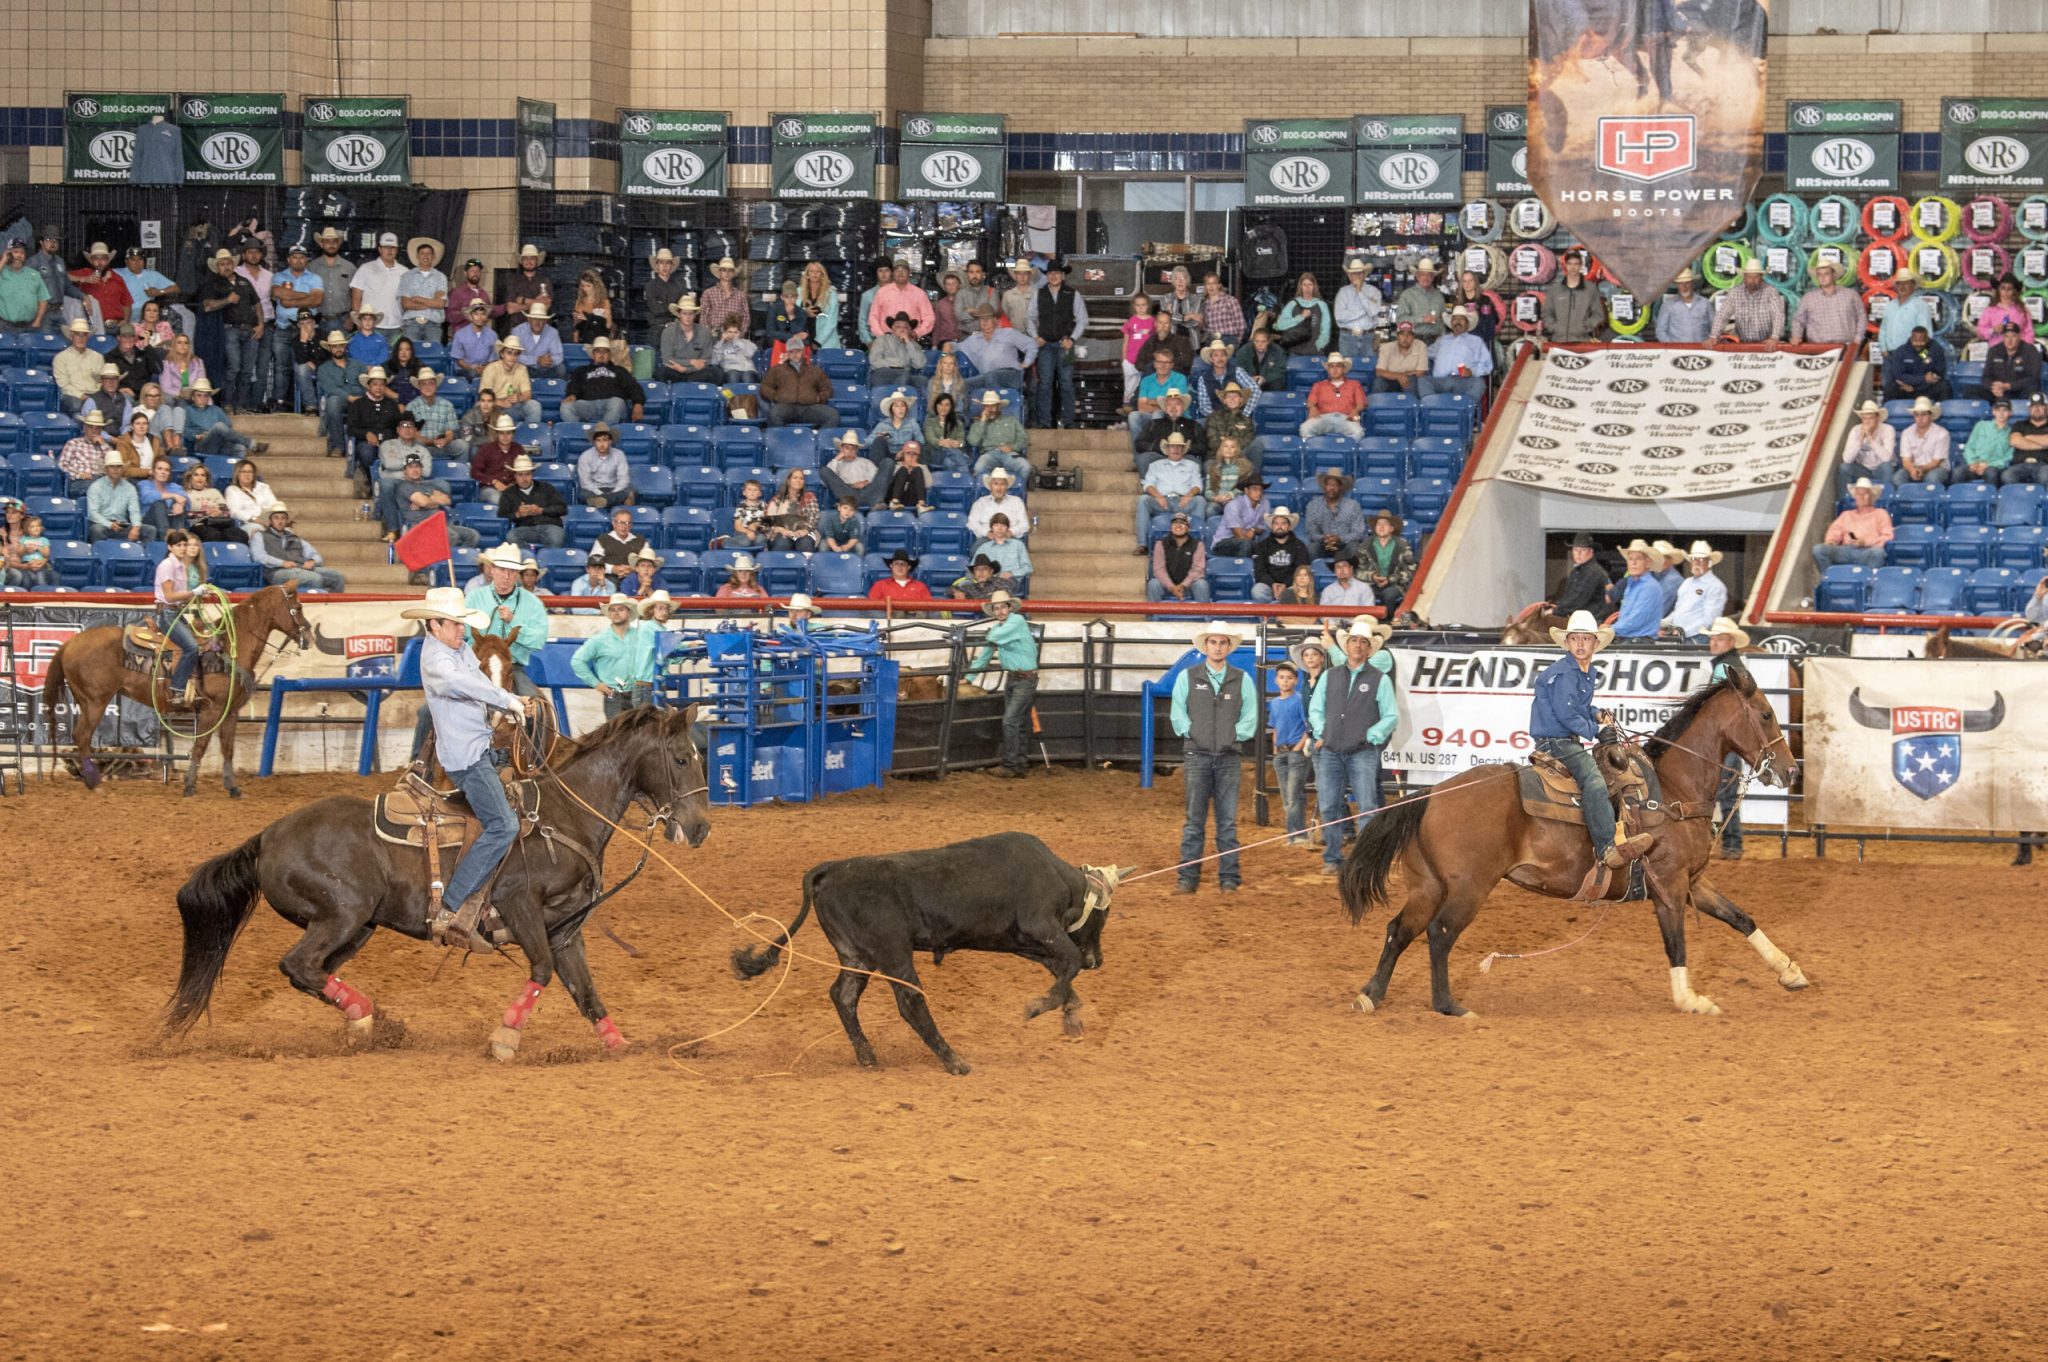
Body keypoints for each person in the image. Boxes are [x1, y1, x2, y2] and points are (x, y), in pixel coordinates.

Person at [402, 586, 538, 951]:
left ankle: (490, 901)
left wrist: (512, 701)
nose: (462, 630)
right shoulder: (436, 661)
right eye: (455, 624)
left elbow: (479, 681)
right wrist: (509, 700)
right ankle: (452, 905)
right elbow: (464, 684)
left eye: (462, 623)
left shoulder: (458, 648)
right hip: (466, 758)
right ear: (434, 625)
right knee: (504, 825)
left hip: (480, 748)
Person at [1530, 611, 1656, 870]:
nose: (1579, 643)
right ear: (1567, 642)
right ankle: (1607, 847)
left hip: (1563, 739)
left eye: (1585, 638)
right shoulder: (1565, 674)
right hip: (1555, 741)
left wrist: (1596, 713)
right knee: (1595, 781)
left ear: (1595, 644)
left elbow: (1579, 706)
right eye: (1574, 638)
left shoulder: (1584, 672)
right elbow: (1566, 713)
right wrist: (1596, 730)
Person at [1169, 622, 1257, 893]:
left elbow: (1250, 716)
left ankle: (1229, 877)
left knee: (1226, 822)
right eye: (1213, 642)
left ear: (1229, 647)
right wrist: (1193, 732)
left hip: (1228, 757)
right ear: (1206, 645)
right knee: (1194, 821)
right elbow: (1177, 713)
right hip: (1197, 755)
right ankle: (1188, 877)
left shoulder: (1242, 679)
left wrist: (1233, 736)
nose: (1218, 647)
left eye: (1222, 643)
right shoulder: (1187, 677)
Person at [1309, 616, 1400, 876]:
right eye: (1354, 641)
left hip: (1362, 751)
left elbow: (1391, 716)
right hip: (1331, 750)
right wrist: (1322, 731)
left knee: (1367, 806)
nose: (1358, 645)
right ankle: (1333, 857)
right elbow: (1316, 708)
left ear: (1369, 648)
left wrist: (1370, 735)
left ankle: (1364, 861)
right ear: (1346, 645)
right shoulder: (1330, 676)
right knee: (1329, 805)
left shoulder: (1379, 679)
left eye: (1363, 642)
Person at [962, 589, 1039, 776]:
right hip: (1016, 678)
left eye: (1003, 607)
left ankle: (1011, 765)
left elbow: (992, 638)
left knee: (1010, 721)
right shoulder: (1003, 628)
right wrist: (969, 678)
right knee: (1018, 722)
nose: (1000, 611)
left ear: (1009, 607)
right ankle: (1020, 764)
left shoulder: (1016, 621)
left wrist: (990, 633)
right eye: (996, 608)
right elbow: (984, 655)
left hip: (1024, 679)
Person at [464, 545, 547, 696]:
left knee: (535, 705)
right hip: (476, 666)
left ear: (517, 574)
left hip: (512, 667)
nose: (506, 576)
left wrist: (513, 622)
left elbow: (538, 641)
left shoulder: (532, 603)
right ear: (492, 570)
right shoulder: (474, 598)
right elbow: (461, 634)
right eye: (502, 569)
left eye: (512, 571)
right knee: (438, 705)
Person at [1705, 617, 1753, 860]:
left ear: (1731, 642)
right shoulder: (1735, 666)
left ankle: (1730, 845)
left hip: (1724, 740)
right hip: (1732, 739)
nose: (1714, 642)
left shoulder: (1724, 668)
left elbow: (1714, 704)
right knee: (1727, 793)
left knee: (1720, 792)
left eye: (1719, 639)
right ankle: (1732, 844)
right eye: (1713, 638)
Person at [573, 594, 662, 718]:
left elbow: (661, 648)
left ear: (629, 612)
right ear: (609, 614)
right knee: (620, 729)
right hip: (614, 694)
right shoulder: (599, 640)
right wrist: (596, 684)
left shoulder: (641, 635)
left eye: (621, 609)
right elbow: (577, 661)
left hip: (640, 692)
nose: (616, 613)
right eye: (612, 610)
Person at [153, 530, 210, 705]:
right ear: (170, 547)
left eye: (185, 545)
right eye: (179, 545)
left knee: (203, 641)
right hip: (167, 614)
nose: (183, 548)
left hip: (176, 612)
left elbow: (181, 596)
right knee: (191, 647)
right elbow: (169, 596)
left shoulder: (181, 566)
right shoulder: (166, 566)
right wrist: (194, 592)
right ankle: (177, 688)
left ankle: (195, 684)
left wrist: (199, 594)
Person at [1031, 260, 1089, 429]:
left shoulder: (1073, 294)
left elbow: (1083, 320)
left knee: (1066, 383)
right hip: (1045, 346)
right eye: (1051, 273)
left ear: (1063, 275)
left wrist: (1072, 339)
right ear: (1047, 276)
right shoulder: (1039, 294)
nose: (1054, 276)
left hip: (1066, 346)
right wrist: (1035, 336)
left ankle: (1069, 421)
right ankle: (1044, 422)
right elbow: (1030, 318)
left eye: (1057, 273)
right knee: (1045, 384)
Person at [1268, 661, 1313, 848]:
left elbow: (1308, 725)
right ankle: (1296, 834)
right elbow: (1275, 728)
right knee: (1289, 796)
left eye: (1289, 678)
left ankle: (1296, 834)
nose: (1285, 681)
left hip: (1296, 752)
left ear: (1296, 681)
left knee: (1292, 795)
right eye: (1282, 677)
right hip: (1281, 754)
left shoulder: (1300, 700)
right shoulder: (1274, 703)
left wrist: (1298, 746)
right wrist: (1275, 750)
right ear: (1276, 680)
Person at [248, 504, 344, 591]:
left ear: (286, 521)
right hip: (276, 572)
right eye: (276, 518)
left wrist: (312, 561)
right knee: (314, 578)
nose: (280, 521)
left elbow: (316, 555)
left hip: (300, 568)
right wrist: (282, 563)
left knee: (337, 577)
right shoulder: (260, 536)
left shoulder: (294, 537)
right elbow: (259, 557)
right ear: (270, 521)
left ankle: (332, 603)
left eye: (283, 518)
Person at [1137, 433, 1206, 546]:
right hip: (1162, 501)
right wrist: (1158, 496)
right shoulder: (1155, 465)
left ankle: (1195, 543)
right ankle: (1142, 544)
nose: (1176, 449)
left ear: (1183, 449)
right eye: (1173, 446)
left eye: (1179, 446)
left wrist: (1189, 495)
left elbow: (1198, 485)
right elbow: (1148, 484)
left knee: (1200, 501)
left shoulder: (1193, 466)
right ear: (1167, 449)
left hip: (1183, 501)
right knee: (1143, 499)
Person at [1812, 478, 1893, 572]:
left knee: (1878, 553)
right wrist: (1831, 541)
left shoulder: (1881, 514)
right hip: (1845, 550)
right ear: (1855, 497)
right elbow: (1834, 530)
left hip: (1867, 551)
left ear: (1871, 496)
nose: (1861, 497)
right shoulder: (1846, 515)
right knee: (1819, 550)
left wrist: (1865, 542)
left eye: (1865, 494)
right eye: (1858, 494)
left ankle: (1868, 579)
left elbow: (1887, 536)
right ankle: (1830, 577)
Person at [562, 336, 646, 425]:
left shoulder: (619, 371)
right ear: (593, 354)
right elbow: (574, 385)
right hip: (588, 405)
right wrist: (572, 394)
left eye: (605, 352)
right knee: (566, 406)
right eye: (598, 351)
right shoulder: (581, 371)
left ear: (610, 355)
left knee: (616, 402)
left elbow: (633, 387)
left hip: (613, 404)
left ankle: (604, 431)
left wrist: (638, 403)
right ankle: (579, 432)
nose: (601, 355)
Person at [957, 306, 1038, 395]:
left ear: (995, 320)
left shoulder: (1008, 333)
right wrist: (947, 348)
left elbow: (1031, 344)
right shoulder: (973, 340)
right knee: (960, 385)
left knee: (991, 376)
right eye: (982, 319)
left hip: (1010, 375)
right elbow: (955, 347)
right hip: (986, 378)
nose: (985, 322)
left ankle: (993, 401)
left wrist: (1027, 362)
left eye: (988, 318)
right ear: (978, 321)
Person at [1420, 307, 1493, 401]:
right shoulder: (1442, 340)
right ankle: (1432, 407)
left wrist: (1472, 371)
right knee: (1423, 381)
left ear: (1467, 323)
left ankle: (1465, 407)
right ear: (1451, 323)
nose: (1457, 322)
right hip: (1441, 381)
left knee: (1479, 383)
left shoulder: (1476, 341)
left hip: (1463, 382)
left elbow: (1487, 366)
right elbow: (1424, 353)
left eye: (1461, 319)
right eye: (1454, 319)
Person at [1789, 258, 1866, 346]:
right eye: (1819, 274)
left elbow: (1861, 316)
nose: (1822, 277)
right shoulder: (1808, 298)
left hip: (1846, 346)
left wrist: (1858, 339)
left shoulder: (1850, 295)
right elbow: (1798, 320)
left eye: (1826, 273)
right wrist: (1796, 335)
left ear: (1833, 275)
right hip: (1818, 347)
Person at [759, 344, 838, 427]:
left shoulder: (815, 371)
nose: (795, 354)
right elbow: (764, 387)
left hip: (810, 407)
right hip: (786, 407)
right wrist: (775, 397)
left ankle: (818, 435)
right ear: (787, 353)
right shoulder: (777, 369)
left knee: (832, 415)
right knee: (774, 414)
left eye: (798, 351)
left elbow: (827, 389)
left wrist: (819, 398)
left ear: (802, 352)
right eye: (791, 352)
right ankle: (783, 435)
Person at [348, 233, 407, 344]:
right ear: (380, 249)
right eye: (386, 247)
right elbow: (356, 297)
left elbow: (407, 299)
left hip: (397, 326)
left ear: (397, 250)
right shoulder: (366, 268)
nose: (390, 250)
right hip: (371, 326)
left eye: (393, 247)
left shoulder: (404, 272)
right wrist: (359, 323)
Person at [500, 455, 567, 548]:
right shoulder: (508, 493)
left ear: (532, 474)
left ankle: (545, 556)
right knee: (511, 537)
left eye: (527, 474)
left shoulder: (546, 488)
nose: (524, 478)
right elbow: (502, 515)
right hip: (525, 528)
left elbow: (562, 509)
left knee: (556, 539)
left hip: (550, 526)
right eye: (520, 475)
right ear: (515, 476)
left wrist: (541, 510)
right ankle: (529, 555)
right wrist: (518, 514)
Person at [1129, 346, 1195, 442]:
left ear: (1172, 365)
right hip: (1151, 415)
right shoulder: (1146, 380)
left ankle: (1157, 447)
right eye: (1159, 362)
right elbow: (1141, 407)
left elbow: (1175, 405)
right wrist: (1162, 403)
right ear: (1154, 364)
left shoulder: (1180, 378)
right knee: (1133, 416)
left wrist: (1153, 402)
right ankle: (1139, 449)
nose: (1163, 365)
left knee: (1157, 415)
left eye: (1167, 362)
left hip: (1177, 417)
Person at [1665, 541, 1728, 641]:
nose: (1697, 563)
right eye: (1694, 559)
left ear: (1709, 563)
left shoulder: (1716, 586)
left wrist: (1684, 632)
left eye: (1701, 559)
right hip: (1678, 637)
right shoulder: (1686, 583)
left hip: (1698, 639)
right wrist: (1663, 623)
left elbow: (1709, 621)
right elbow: (1678, 611)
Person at [1303, 468, 1367, 562]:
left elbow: (1358, 532)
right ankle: (1313, 571)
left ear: (1341, 487)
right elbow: (1311, 531)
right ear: (1324, 486)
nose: (1332, 488)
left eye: (1335, 485)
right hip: (1323, 544)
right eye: (1329, 484)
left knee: (1354, 547)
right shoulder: (1313, 505)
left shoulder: (1353, 505)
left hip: (1345, 544)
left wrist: (1340, 538)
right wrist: (1324, 538)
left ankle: (1352, 571)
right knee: (1311, 548)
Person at [1714, 259, 1785, 343]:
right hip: (1742, 343)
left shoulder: (1771, 291)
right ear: (1744, 278)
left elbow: (1778, 314)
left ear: (1761, 277)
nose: (1752, 280)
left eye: (1756, 277)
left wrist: (1775, 337)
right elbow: (1722, 314)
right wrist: (1714, 336)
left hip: (1766, 342)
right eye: (1749, 277)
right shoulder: (1735, 292)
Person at [1543, 249, 1605, 344]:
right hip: (1559, 341)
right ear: (1565, 265)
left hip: (1583, 342)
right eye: (1570, 264)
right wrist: (1555, 328)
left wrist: (1584, 327)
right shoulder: (1555, 289)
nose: (1573, 267)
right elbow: (1547, 313)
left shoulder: (1590, 289)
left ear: (1581, 265)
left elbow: (1598, 314)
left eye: (1576, 264)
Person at [1250, 507, 1311, 602]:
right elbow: (1259, 571)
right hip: (1268, 585)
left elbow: (1300, 570)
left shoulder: (1299, 546)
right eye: (1276, 523)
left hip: (1291, 585)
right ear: (1271, 526)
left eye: (1283, 523)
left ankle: (1279, 605)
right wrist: (1272, 584)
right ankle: (1274, 607)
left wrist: (1285, 584)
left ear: (1289, 526)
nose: (1279, 526)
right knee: (1257, 591)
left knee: (1299, 592)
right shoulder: (1262, 545)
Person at [1148, 510, 1210, 603]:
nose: (1178, 526)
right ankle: (1153, 612)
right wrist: (1171, 587)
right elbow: (1159, 569)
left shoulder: (1198, 545)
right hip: (1167, 585)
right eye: (1175, 523)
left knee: (1202, 584)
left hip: (1189, 586)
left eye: (1182, 523)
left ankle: (1204, 612)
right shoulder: (1160, 544)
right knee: (1153, 584)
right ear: (1171, 527)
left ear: (1188, 528)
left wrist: (1183, 585)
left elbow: (1198, 569)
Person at [1333, 259, 1388, 365]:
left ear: (1364, 275)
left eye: (1359, 273)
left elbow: (1373, 312)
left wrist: (1359, 292)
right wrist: (1364, 310)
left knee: (1369, 369)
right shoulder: (1343, 292)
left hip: (1368, 337)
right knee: (1347, 369)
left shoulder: (1374, 291)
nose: (1356, 276)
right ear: (1349, 276)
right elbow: (1339, 316)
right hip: (1347, 337)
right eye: (1353, 274)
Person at [88, 451, 151, 542]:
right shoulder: (96, 487)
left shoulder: (130, 488)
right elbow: (93, 514)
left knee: (150, 530)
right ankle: (100, 550)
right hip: (103, 524)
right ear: (106, 469)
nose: (115, 469)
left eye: (118, 466)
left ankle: (140, 551)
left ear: (122, 469)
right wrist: (109, 524)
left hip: (122, 525)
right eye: (112, 466)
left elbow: (134, 511)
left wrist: (136, 527)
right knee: (97, 530)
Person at [1301, 353, 1367, 439]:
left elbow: (1361, 404)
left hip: (1347, 418)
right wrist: (1312, 408)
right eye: (1331, 366)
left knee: (1358, 432)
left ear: (1344, 368)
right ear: (1328, 369)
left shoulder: (1355, 384)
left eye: (1338, 366)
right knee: (1304, 429)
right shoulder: (1319, 385)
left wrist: (1356, 411)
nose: (1335, 369)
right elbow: (1310, 401)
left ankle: (1347, 448)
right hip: (1323, 418)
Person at [1608, 539, 1664, 639]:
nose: (1633, 563)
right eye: (1630, 559)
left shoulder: (1650, 587)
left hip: (1640, 642)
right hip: (1629, 640)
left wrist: (1609, 629)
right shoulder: (1631, 584)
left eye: (1638, 559)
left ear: (1648, 563)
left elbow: (1636, 620)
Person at [1838, 399, 1898, 493]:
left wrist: (1870, 438)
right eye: (1864, 418)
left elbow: (1887, 458)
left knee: (1887, 466)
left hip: (1881, 468)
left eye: (1871, 418)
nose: (1867, 422)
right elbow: (1847, 459)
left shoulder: (1888, 429)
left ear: (1877, 418)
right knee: (1844, 467)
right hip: (1863, 469)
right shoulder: (1855, 430)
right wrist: (1860, 440)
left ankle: (1888, 496)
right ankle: (1845, 498)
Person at [1546, 531, 1609, 617]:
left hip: (1592, 618)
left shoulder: (1594, 572)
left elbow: (1579, 599)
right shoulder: (1575, 572)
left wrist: (1556, 610)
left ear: (1591, 551)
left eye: (1583, 550)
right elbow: (1569, 596)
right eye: (1576, 550)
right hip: (1578, 615)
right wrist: (1556, 605)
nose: (1579, 554)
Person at [481, 335, 541, 425]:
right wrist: (500, 402)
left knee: (534, 405)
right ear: (502, 354)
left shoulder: (522, 369)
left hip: (514, 406)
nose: (512, 357)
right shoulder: (490, 369)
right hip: (495, 407)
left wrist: (518, 398)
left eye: (516, 354)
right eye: (509, 353)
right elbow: (484, 397)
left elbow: (527, 394)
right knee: (484, 408)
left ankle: (530, 432)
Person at [1976, 321, 2041, 403]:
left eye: (2013, 336)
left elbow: (2033, 378)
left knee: (2032, 389)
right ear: (2003, 337)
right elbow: (1986, 376)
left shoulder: (2031, 351)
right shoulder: (1994, 350)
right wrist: (1994, 386)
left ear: (2019, 336)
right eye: (2006, 336)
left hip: (2019, 391)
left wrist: (2008, 386)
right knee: (1972, 391)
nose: (2009, 340)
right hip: (1998, 391)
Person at [574, 423, 634, 510]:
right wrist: (600, 494)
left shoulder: (619, 455)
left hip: (614, 488)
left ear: (610, 441)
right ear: (594, 442)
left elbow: (623, 479)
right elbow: (585, 482)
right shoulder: (585, 456)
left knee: (630, 490)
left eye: (605, 440)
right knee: (583, 494)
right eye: (598, 440)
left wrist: (612, 493)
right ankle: (606, 501)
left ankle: (602, 502)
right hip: (594, 489)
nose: (602, 444)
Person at [822, 431, 886, 511]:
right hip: (848, 493)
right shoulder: (836, 463)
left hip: (868, 491)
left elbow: (878, 479)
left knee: (887, 462)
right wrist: (836, 459)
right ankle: (847, 504)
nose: (850, 451)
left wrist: (866, 482)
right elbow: (828, 479)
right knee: (824, 470)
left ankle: (877, 503)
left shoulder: (866, 462)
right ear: (841, 449)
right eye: (847, 448)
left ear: (856, 450)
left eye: (853, 448)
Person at [1896, 397, 1952, 487]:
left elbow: (1936, 462)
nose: (1920, 418)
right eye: (1917, 415)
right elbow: (1906, 460)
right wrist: (1912, 470)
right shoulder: (1907, 433)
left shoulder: (1942, 433)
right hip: (1913, 467)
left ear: (1931, 416)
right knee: (1898, 478)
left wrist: (1921, 469)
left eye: (1924, 414)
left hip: (1937, 468)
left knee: (1932, 478)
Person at [1958, 398, 2015, 486]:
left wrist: (1988, 465)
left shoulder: (2013, 433)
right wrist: (1972, 463)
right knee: (1958, 473)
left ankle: (1992, 495)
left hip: (1994, 467)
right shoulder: (1981, 425)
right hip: (1975, 464)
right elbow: (1969, 447)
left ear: (2010, 413)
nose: (2001, 414)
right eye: (1998, 410)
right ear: (1993, 412)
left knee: (1991, 473)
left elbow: (2009, 456)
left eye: (2005, 410)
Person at [1883, 326, 1949, 402]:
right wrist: (1923, 379)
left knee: (1944, 386)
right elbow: (1898, 375)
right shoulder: (1901, 351)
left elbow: (1938, 374)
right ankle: (1887, 409)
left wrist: (1917, 388)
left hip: (1926, 388)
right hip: (1906, 388)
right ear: (1911, 338)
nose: (1918, 344)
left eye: (1922, 341)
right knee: (1890, 388)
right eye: (1915, 341)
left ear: (1927, 339)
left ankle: (1941, 408)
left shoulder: (1936, 350)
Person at [1210, 475, 1270, 557]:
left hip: (1246, 541)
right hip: (1223, 542)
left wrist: (1253, 530)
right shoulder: (1234, 505)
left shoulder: (1264, 503)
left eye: (1260, 489)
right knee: (1246, 545)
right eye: (1254, 489)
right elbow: (1238, 535)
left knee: (1264, 547)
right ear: (1246, 490)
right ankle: (1241, 565)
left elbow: (1262, 528)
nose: (1259, 492)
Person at [0, 239, 52, 333]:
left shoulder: (34, 274)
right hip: (5, 327)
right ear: (8, 254)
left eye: (22, 253)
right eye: (15, 252)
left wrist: (38, 320)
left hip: (30, 326)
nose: (19, 255)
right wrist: (3, 260)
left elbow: (43, 299)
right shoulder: (2, 273)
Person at [765, 468, 822, 552]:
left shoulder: (809, 497)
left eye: (801, 478)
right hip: (782, 532)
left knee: (805, 543)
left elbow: (814, 517)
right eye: (795, 478)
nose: (798, 480)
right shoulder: (777, 499)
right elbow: (769, 520)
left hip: (804, 531)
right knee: (782, 542)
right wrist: (781, 530)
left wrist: (805, 530)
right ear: (788, 481)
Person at [972, 513, 1032, 592]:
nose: (999, 528)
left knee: (1000, 586)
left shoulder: (1018, 545)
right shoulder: (984, 548)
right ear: (992, 528)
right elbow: (973, 568)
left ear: (1007, 528)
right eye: (996, 525)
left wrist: (1011, 573)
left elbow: (1028, 567)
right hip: (989, 580)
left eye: (1003, 525)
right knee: (964, 586)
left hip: (1010, 580)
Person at [1277, 273, 1333, 356]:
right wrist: (1300, 317)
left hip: (1315, 352)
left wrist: (1318, 346)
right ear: (1300, 286)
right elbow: (1280, 325)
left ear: (1314, 286)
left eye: (1310, 285)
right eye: (1304, 285)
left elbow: (1326, 330)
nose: (1307, 288)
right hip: (1294, 351)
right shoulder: (1292, 304)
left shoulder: (1322, 305)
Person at [1654, 268, 1715, 343]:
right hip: (1677, 349)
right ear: (1677, 285)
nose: (1684, 287)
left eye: (1687, 283)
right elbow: (1660, 331)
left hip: (1701, 348)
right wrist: (1672, 346)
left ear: (1692, 283)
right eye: (1680, 283)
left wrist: (1709, 343)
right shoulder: (1668, 305)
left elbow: (1714, 328)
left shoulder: (1705, 303)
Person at [1394, 258, 1448, 343]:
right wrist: (1422, 319)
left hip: (1436, 340)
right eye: (1423, 274)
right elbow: (1400, 320)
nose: (1426, 278)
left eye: (1429, 275)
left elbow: (1442, 320)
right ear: (1417, 276)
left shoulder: (1439, 296)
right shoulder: (1407, 295)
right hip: (1414, 340)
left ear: (1433, 277)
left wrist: (1443, 337)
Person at [868, 311, 925, 389]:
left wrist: (908, 343)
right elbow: (874, 360)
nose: (902, 329)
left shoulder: (913, 345)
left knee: (922, 380)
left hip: (906, 374)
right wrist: (895, 365)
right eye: (898, 327)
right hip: (883, 372)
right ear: (892, 328)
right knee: (903, 375)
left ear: (910, 330)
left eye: (906, 327)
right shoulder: (883, 339)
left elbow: (920, 364)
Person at [968, 468, 1029, 541]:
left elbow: (1025, 524)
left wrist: (1010, 532)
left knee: (1018, 546)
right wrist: (987, 533)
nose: (999, 488)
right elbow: (972, 523)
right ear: (990, 486)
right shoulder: (980, 503)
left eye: (1002, 484)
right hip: (986, 539)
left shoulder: (1017, 502)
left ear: (1007, 486)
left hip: (1011, 539)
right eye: (996, 484)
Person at [1119, 291, 1159, 404]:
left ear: (1148, 306)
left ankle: (1142, 408)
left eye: (1143, 305)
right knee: (1129, 387)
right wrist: (1124, 359)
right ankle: (1127, 407)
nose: (1141, 308)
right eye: (1138, 305)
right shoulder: (1131, 321)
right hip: (1131, 360)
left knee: (1145, 386)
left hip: (1147, 360)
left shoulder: (1153, 321)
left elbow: (1156, 340)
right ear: (1134, 306)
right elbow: (1125, 341)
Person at [1371, 320, 1430, 395]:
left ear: (1413, 337)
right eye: (1402, 334)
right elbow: (1379, 372)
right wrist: (1398, 376)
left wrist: (1401, 375)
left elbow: (1420, 373)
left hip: (1410, 379)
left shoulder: (1421, 346)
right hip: (1389, 379)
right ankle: (1377, 402)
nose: (1405, 338)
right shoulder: (1386, 347)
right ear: (1397, 336)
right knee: (1378, 382)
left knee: (1411, 381)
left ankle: (1411, 402)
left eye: (1409, 334)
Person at [1976, 273, 2036, 345]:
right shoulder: (1989, 310)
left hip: (2019, 349)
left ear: (2014, 291)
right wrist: (1993, 330)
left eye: (2009, 289)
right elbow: (1980, 331)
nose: (2006, 292)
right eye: (2003, 288)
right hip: (1996, 349)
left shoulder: (2022, 310)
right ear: (1998, 290)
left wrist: (2025, 348)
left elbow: (2029, 333)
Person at [224, 458, 279, 535]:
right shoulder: (232, 490)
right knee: (258, 532)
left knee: (287, 531)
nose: (247, 474)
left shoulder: (264, 487)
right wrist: (253, 518)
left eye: (250, 472)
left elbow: (275, 506)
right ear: (237, 474)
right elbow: (234, 512)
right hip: (248, 523)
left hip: (268, 521)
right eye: (243, 472)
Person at [795, 260, 841, 349]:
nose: (815, 274)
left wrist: (818, 342)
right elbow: (791, 315)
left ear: (822, 275)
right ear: (807, 275)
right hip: (803, 341)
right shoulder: (798, 292)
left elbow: (832, 321)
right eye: (811, 271)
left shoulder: (831, 293)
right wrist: (804, 312)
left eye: (818, 271)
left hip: (826, 342)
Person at [700, 257, 750, 338]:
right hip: (714, 335)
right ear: (719, 272)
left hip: (734, 335)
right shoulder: (708, 293)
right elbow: (704, 318)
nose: (727, 273)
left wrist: (740, 334)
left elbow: (746, 318)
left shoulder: (741, 296)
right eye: (724, 270)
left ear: (733, 273)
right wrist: (709, 336)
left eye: (730, 270)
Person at [593, 506, 648, 579]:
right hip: (608, 578)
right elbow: (594, 562)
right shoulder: (602, 539)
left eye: (627, 523)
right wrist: (612, 569)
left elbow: (648, 563)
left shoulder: (641, 541)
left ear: (631, 525)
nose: (624, 526)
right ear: (613, 523)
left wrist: (633, 568)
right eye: (620, 522)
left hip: (635, 578)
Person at [868, 388, 923, 461]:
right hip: (887, 457)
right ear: (892, 409)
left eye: (903, 406)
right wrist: (878, 436)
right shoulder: (883, 425)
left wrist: (905, 451)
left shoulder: (912, 423)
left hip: (906, 455)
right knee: (879, 440)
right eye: (896, 406)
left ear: (906, 408)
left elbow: (921, 441)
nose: (900, 409)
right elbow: (869, 441)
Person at [6, 510, 55, 588]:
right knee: (26, 580)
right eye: (32, 527)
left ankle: (42, 592)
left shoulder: (44, 540)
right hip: (27, 563)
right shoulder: (24, 539)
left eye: (38, 526)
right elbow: (19, 553)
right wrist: (26, 549)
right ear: (27, 529)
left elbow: (47, 554)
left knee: (41, 579)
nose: (36, 528)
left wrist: (39, 548)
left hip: (39, 564)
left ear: (41, 528)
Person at [923, 391, 969, 473]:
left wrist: (958, 444)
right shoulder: (929, 422)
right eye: (940, 404)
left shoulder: (958, 424)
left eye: (947, 405)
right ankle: (965, 470)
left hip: (952, 455)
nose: (943, 408)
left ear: (951, 407)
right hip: (936, 454)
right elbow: (930, 439)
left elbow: (962, 443)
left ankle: (957, 478)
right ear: (936, 406)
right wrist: (942, 442)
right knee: (949, 449)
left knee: (949, 462)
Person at [1234, 326, 1290, 394]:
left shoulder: (1278, 351)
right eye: (1256, 341)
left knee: (1278, 383)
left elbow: (1279, 371)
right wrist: (1250, 378)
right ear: (1253, 341)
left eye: (1263, 342)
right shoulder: (1244, 351)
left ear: (1268, 341)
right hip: (1249, 381)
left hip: (1269, 382)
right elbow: (1240, 368)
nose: (1259, 344)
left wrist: (1265, 379)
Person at [2008, 393, 2048, 485]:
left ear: (2046, 407)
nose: (2037, 409)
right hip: (2020, 464)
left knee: (2045, 475)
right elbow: (2014, 441)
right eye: (2033, 406)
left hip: (2044, 465)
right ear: (2029, 409)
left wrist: (2028, 438)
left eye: (2040, 406)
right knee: (2007, 476)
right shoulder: (2019, 424)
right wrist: (2043, 444)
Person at [568, 267, 614, 346]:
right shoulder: (579, 301)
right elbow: (576, 328)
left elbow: (608, 325)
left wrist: (588, 318)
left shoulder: (604, 302)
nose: (585, 289)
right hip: (583, 339)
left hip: (599, 341)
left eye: (588, 286)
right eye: (583, 286)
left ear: (596, 286)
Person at [881, 441, 932, 512]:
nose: (911, 456)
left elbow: (929, 485)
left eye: (914, 454)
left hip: (911, 497)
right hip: (893, 495)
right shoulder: (896, 466)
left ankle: (921, 505)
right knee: (903, 470)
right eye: (908, 453)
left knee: (917, 470)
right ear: (903, 455)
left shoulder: (922, 467)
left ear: (918, 456)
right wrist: (905, 468)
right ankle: (894, 502)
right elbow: (887, 483)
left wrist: (916, 467)